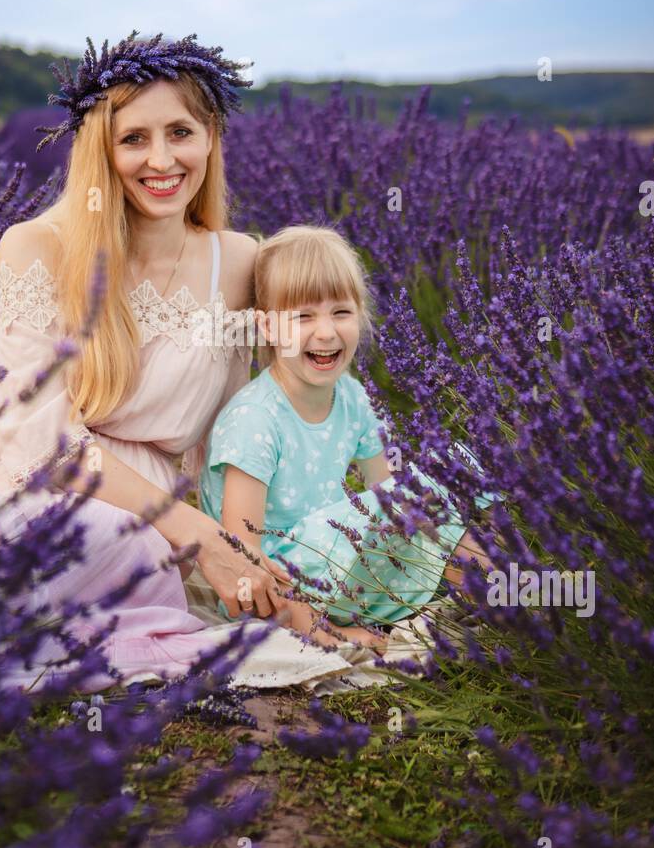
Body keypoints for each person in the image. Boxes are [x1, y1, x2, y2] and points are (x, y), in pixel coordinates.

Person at [0, 34, 395, 691]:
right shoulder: (38, 247)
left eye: (180, 132)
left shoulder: (238, 260)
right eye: (134, 139)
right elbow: (39, 444)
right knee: (79, 539)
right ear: (101, 146)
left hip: (171, 520)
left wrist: (286, 573)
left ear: (211, 137)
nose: (161, 160)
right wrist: (194, 533)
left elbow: (267, 418)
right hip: (46, 484)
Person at [200, 225, 496, 649]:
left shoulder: (353, 396)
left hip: (339, 562)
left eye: (340, 312)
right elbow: (240, 554)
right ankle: (330, 632)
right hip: (278, 583)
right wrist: (320, 628)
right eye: (303, 317)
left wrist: (424, 514)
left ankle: (495, 590)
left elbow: (388, 489)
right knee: (407, 499)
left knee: (434, 482)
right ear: (267, 327)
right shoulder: (255, 421)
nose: (326, 332)